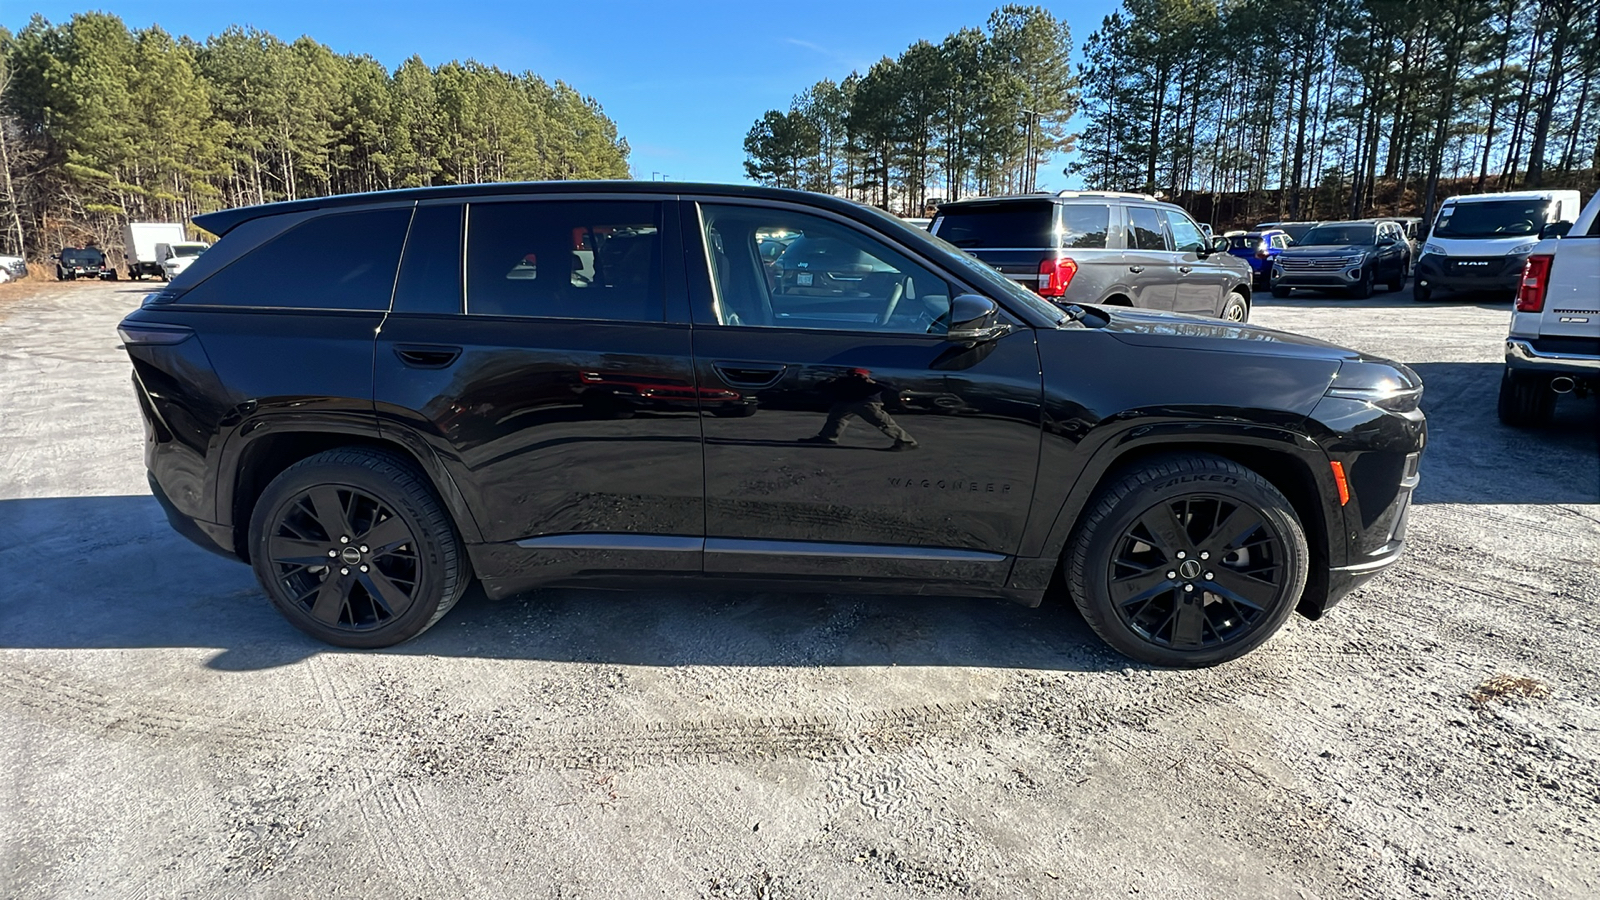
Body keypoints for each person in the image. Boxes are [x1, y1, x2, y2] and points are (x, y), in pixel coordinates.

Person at [799, 368, 918, 451]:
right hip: (846, 402)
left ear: (866, 375)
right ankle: (827, 437)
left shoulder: (872, 383)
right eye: (852, 374)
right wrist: (828, 382)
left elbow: (892, 388)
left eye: (858, 375)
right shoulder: (843, 381)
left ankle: (907, 442)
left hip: (866, 403)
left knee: (883, 422)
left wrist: (872, 382)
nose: (855, 377)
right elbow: (819, 387)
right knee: (835, 418)